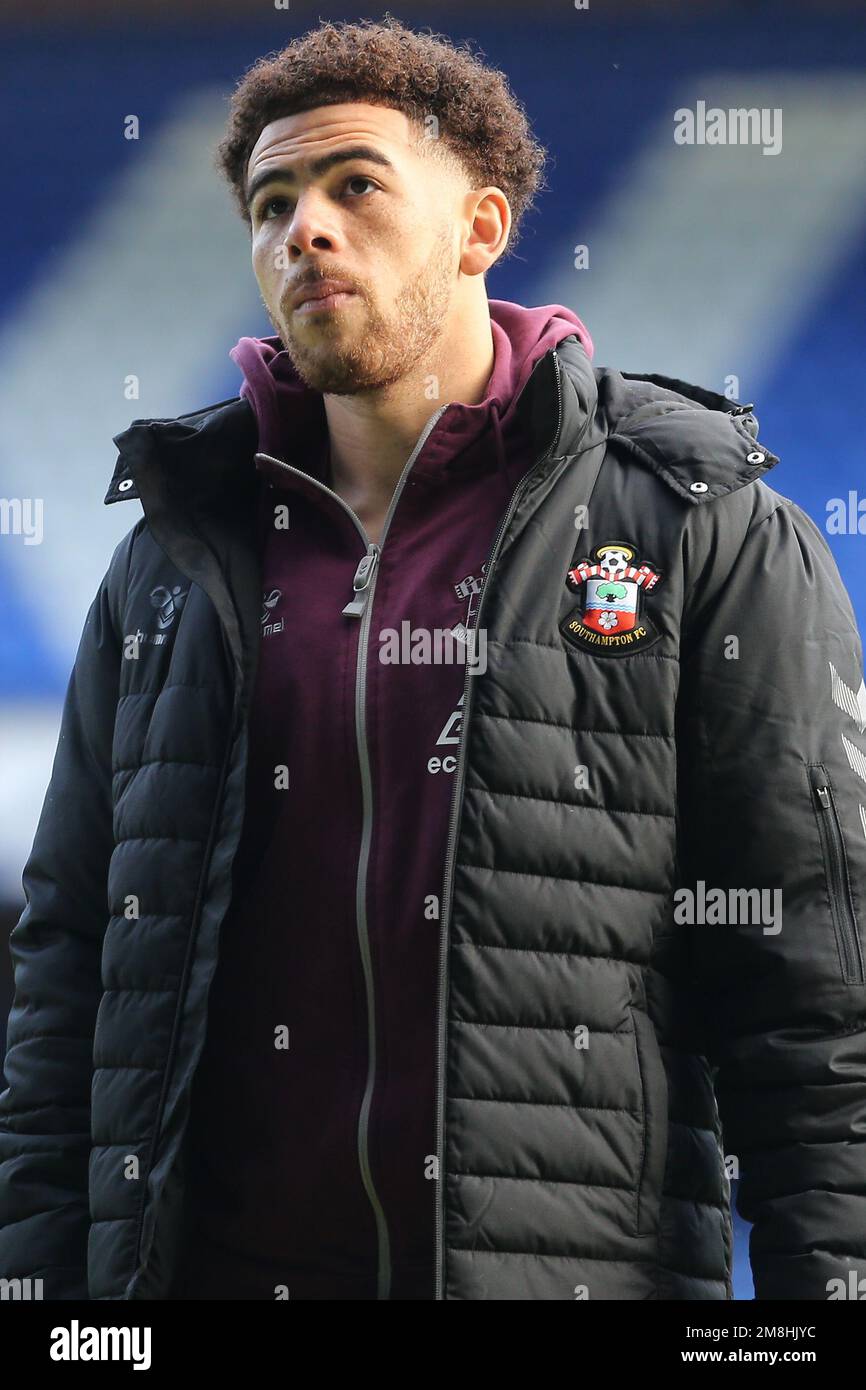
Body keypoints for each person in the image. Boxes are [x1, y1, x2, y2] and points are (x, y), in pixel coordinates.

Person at [1, 16, 865, 1302]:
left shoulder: (693, 527)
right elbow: (71, 978)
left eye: (354, 184)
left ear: (479, 229)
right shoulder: (173, 558)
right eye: (271, 202)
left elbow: (814, 990)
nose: (304, 227)